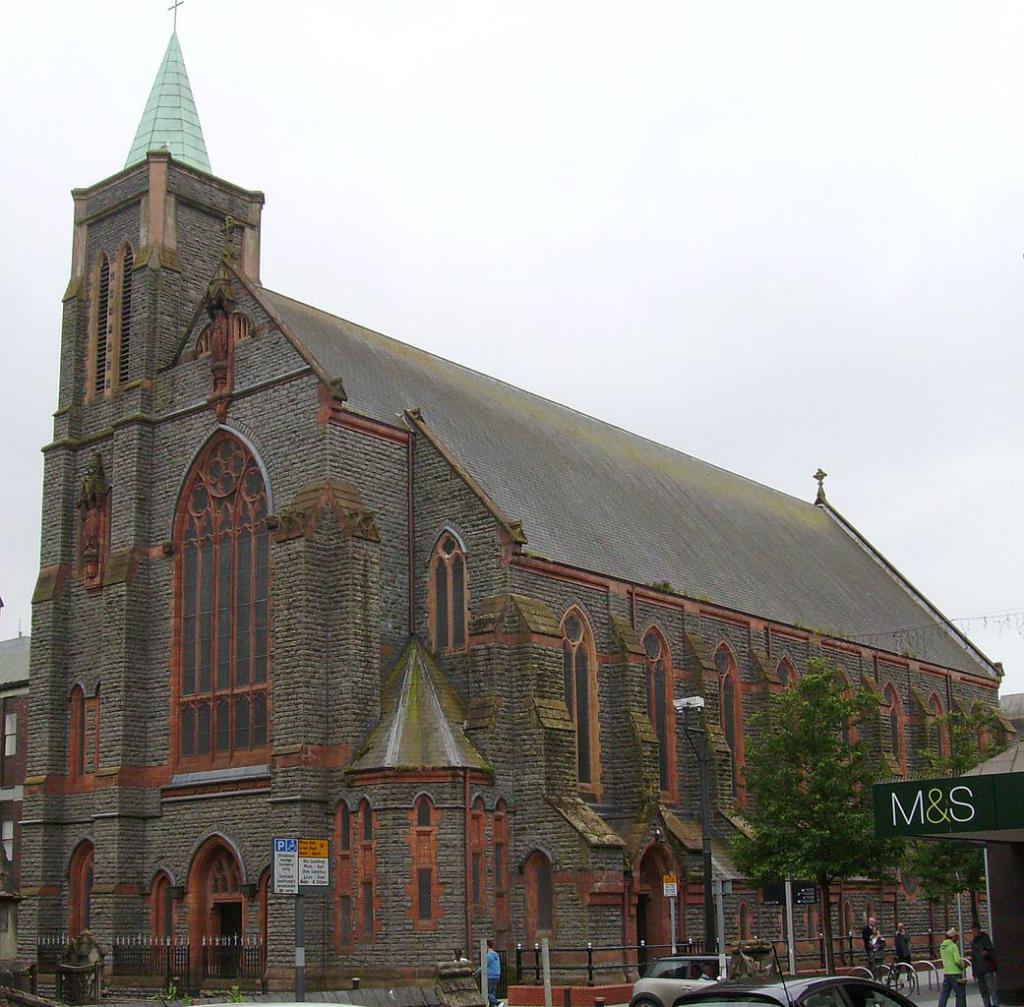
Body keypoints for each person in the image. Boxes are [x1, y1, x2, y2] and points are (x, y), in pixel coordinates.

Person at [970, 925, 1000, 1007]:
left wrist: (987, 953)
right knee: (983, 991)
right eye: (973, 931)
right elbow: (973, 959)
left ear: (979, 930)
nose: (975, 933)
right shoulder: (973, 943)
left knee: (991, 989)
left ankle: (996, 1004)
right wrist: (974, 972)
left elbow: (992, 952)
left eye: (976, 931)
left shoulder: (985, 939)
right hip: (979, 970)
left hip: (987, 968)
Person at [937, 927, 967, 1007]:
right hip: (956, 973)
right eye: (956, 936)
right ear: (953, 937)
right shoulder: (953, 946)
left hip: (947, 973)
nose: (957, 938)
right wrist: (963, 965)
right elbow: (957, 960)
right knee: (960, 996)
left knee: (944, 995)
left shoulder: (942, 947)